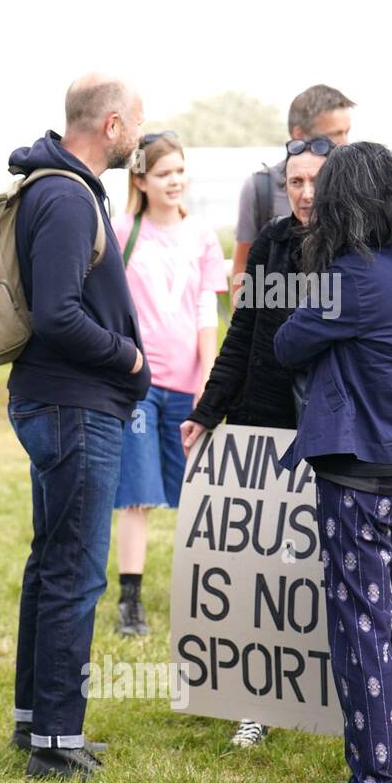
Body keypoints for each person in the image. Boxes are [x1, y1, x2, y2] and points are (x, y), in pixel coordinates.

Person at [273, 142, 392, 783]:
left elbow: (288, 342)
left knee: (361, 620)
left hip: (359, 473)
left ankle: (377, 778)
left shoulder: (351, 279)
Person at [5, 74, 150, 781]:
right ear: (113, 126)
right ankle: (57, 747)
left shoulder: (56, 186)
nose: (142, 142)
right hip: (73, 406)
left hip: (58, 403)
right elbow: (58, 314)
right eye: (138, 129)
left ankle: (35, 723)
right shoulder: (64, 195)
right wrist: (128, 356)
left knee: (51, 561)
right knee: (73, 572)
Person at [180, 135, 334, 748]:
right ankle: (255, 702)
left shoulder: (357, 250)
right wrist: (209, 409)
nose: (304, 194)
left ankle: (332, 690)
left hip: (330, 424)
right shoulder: (271, 243)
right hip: (263, 420)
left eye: (316, 182)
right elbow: (243, 332)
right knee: (260, 563)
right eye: (294, 182)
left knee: (323, 560)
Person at [111, 132, 223, 636]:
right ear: (141, 180)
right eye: (163, 173)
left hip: (187, 386)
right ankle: (129, 602)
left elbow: (206, 309)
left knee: (193, 495)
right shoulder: (121, 232)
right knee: (136, 494)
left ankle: (201, 594)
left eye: (179, 170)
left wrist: (208, 378)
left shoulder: (202, 234)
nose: (174, 181)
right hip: (137, 386)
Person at [231, 85, 353, 289]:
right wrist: (243, 319)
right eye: (334, 135)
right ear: (299, 135)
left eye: (347, 132)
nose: (345, 143)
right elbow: (243, 266)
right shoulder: (261, 188)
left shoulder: (356, 187)